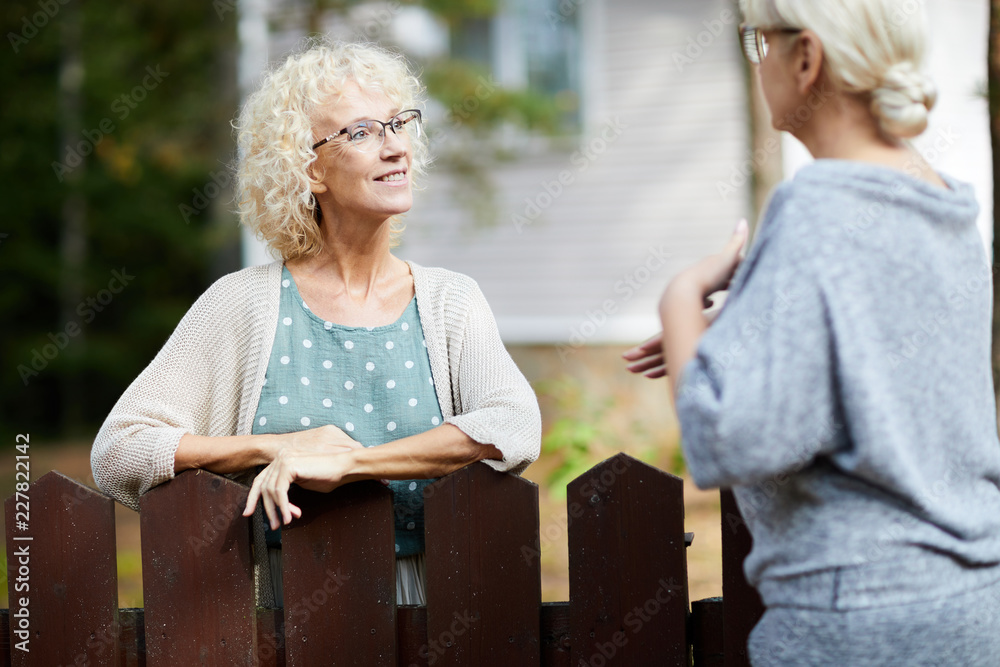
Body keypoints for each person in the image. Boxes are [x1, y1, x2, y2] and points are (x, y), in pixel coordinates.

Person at [91, 39, 541, 608]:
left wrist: (351, 462)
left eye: (398, 124)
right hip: (280, 601)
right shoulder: (240, 303)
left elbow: (513, 424)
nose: (395, 147)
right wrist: (277, 446)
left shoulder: (451, 300)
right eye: (361, 132)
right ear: (308, 170)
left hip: (436, 599)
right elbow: (119, 451)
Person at [624, 0, 1000, 664]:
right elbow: (877, 352)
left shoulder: (815, 204)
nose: (756, 62)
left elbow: (728, 441)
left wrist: (680, 300)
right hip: (972, 609)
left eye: (756, 41)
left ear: (806, 57)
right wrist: (743, 323)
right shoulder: (944, 200)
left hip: (857, 621)